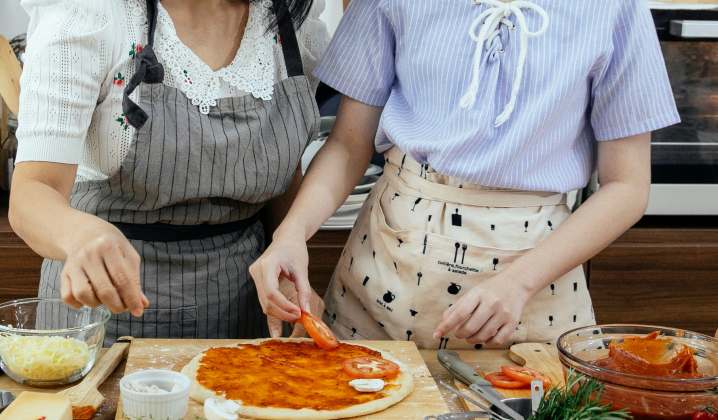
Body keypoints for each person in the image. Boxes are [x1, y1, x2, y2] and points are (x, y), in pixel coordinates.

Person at [249, 0, 680, 349]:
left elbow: (627, 186)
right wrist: (291, 234)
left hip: (535, 274)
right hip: (387, 267)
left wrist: (518, 283)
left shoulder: (616, 8)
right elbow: (347, 145)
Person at [10, 0, 328, 344]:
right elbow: (32, 193)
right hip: (109, 312)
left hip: (248, 313)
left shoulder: (291, 20)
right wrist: (78, 235)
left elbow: (280, 166)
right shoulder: (90, 15)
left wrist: (286, 265)